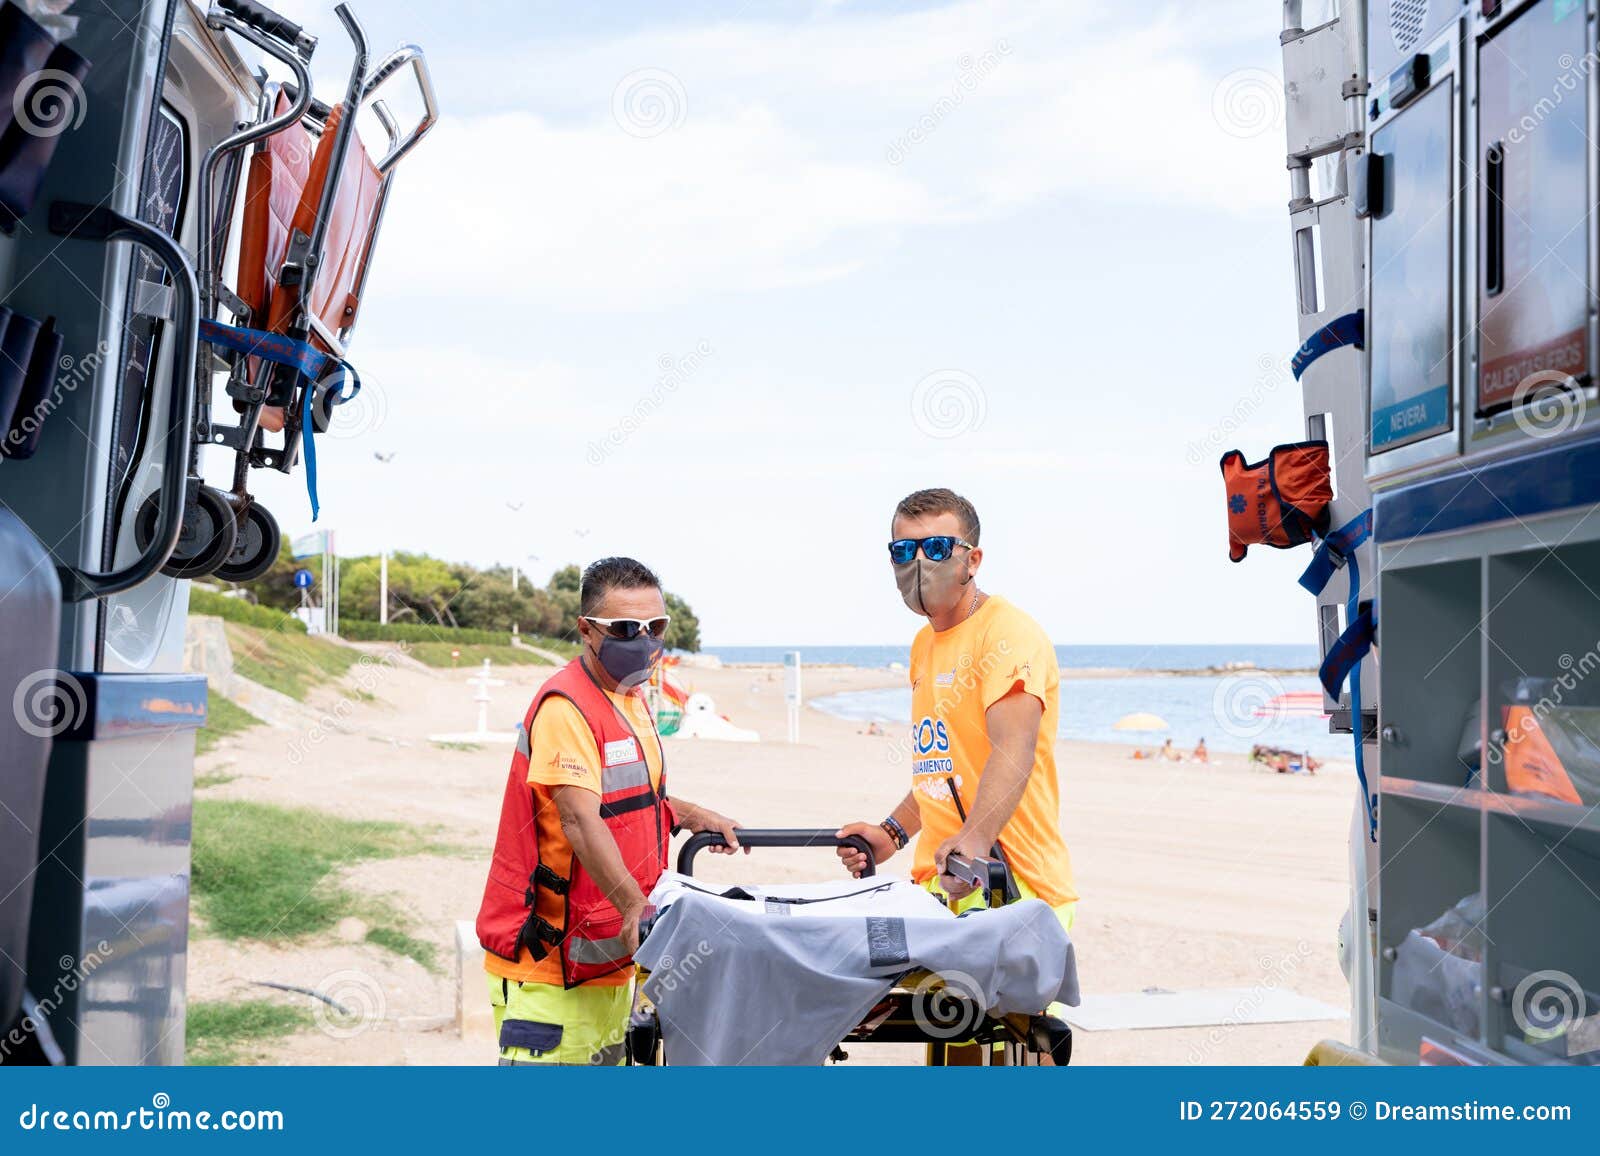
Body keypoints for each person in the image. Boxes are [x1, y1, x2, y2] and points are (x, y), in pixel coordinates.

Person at [837, 488, 1077, 1061]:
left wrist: (973, 841)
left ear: (973, 558)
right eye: (903, 550)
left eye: (938, 547)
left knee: (1018, 1057)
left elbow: (1014, 751)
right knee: (957, 1057)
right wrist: (891, 833)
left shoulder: (1008, 634)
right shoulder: (925, 643)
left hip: (1014, 889)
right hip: (946, 888)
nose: (920, 563)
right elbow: (941, 767)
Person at [475, 556, 742, 1065]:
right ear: (586, 630)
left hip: (611, 959)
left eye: (655, 626)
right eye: (624, 627)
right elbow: (577, 817)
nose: (643, 639)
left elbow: (630, 799)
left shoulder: (630, 698)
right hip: (551, 967)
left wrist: (692, 814)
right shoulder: (565, 706)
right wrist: (631, 909)